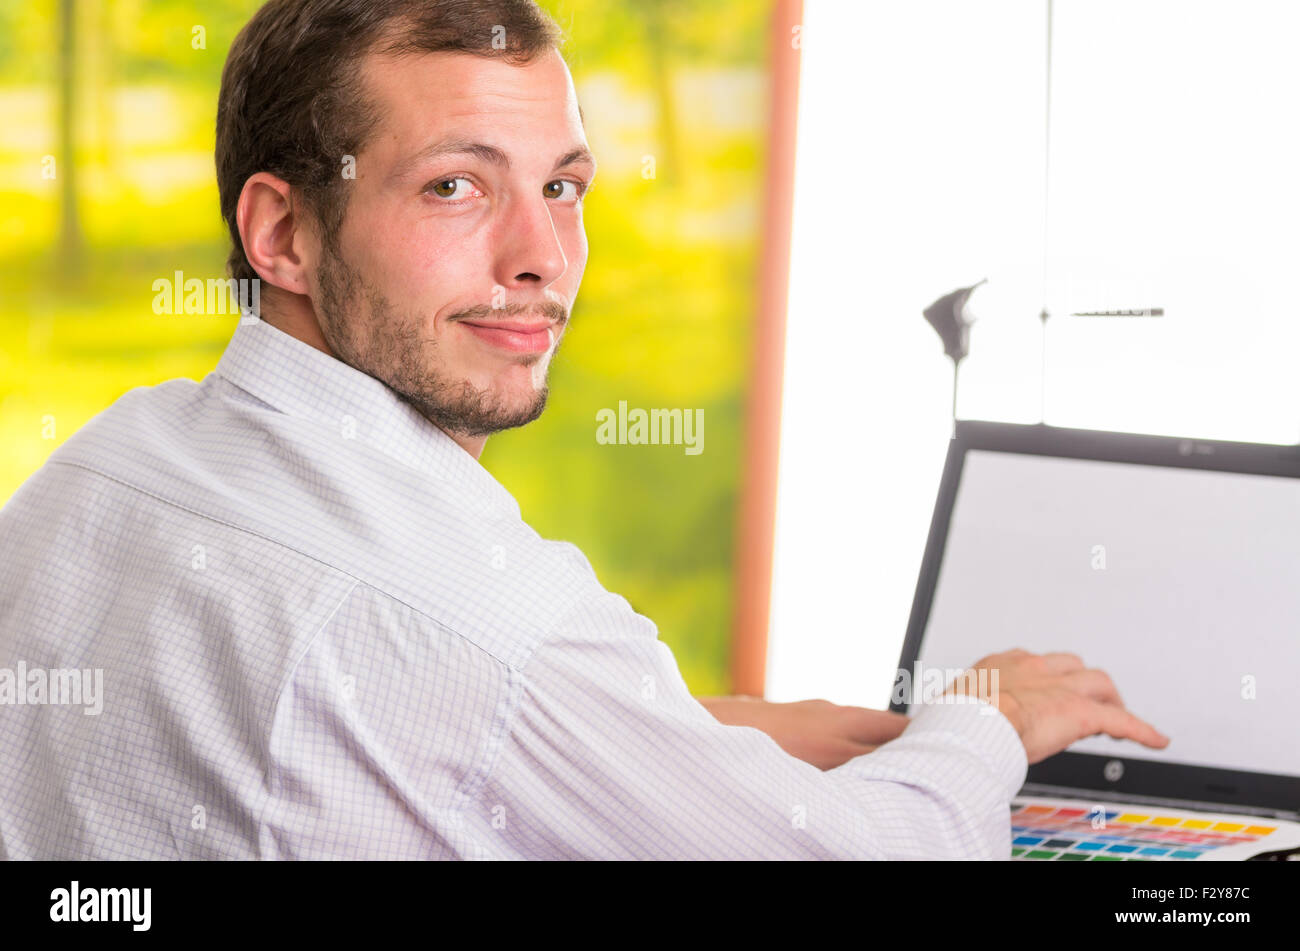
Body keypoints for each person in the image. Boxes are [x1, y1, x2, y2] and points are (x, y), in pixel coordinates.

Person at [0, 0, 1167, 860]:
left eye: (561, 187)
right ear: (284, 235)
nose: (541, 258)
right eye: (455, 186)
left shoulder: (105, 466)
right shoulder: (489, 622)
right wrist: (981, 724)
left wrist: (689, 732)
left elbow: (338, 714)